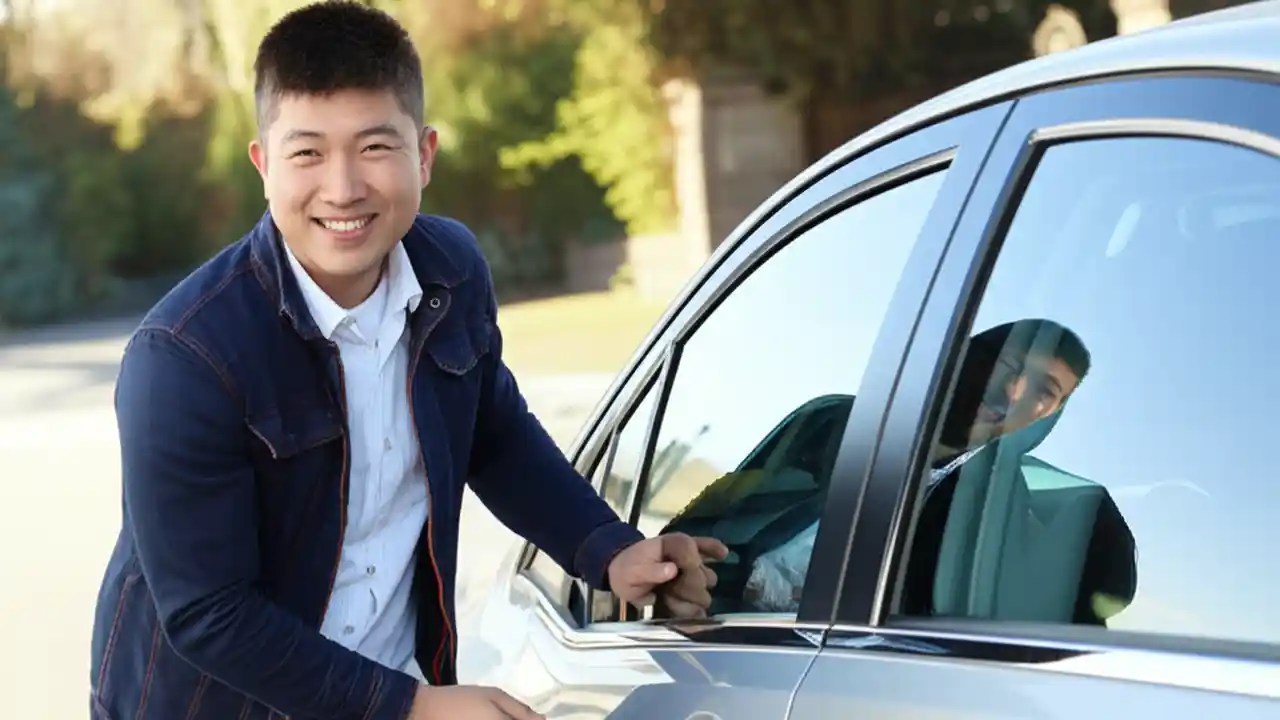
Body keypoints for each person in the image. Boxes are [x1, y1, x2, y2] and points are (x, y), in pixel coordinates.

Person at [89, 4, 726, 720]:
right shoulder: (184, 355)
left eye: (374, 147)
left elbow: (495, 435)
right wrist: (414, 707)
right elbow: (210, 613)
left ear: (424, 154)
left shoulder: (451, 272)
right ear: (263, 165)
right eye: (306, 153)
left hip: (395, 686)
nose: (342, 188)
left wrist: (608, 551)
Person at [662, 319, 1135, 624]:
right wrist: (686, 580)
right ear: (967, 352)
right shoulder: (828, 428)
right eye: (1008, 364)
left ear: (1045, 417)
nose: (1013, 393)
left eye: (1043, 392)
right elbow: (701, 535)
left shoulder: (1015, 525)